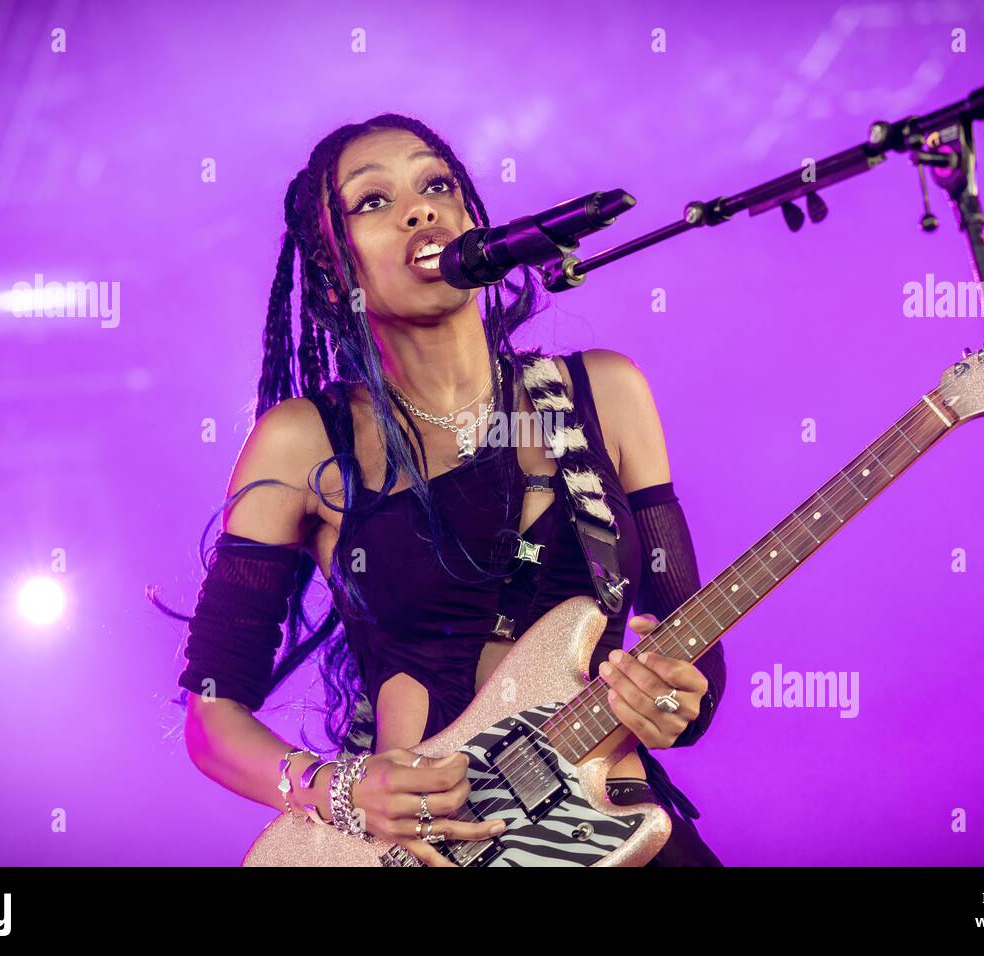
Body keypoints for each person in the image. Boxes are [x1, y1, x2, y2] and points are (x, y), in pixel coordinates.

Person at [162, 113, 726, 866]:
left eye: (437, 185)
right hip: (428, 851)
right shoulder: (304, 442)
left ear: (470, 220)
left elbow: (690, 636)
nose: (420, 209)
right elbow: (211, 716)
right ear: (334, 269)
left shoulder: (607, 393)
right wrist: (336, 788)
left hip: (611, 831)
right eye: (372, 201)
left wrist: (677, 700)